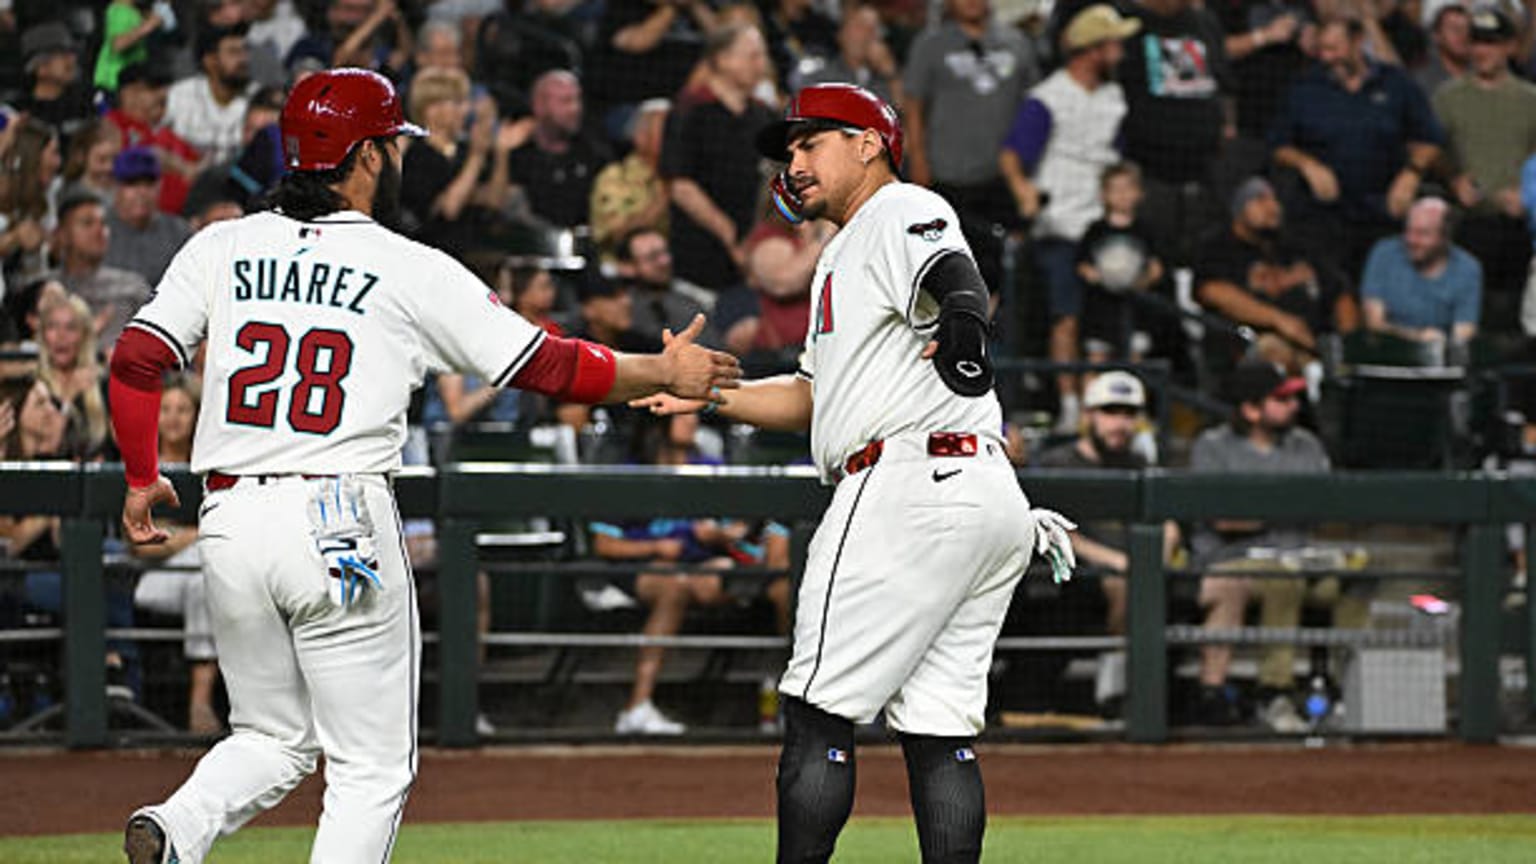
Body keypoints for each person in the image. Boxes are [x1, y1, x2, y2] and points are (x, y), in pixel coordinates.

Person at [110, 68, 739, 864]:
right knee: (370, 767)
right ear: (367, 156)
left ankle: (176, 829)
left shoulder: (222, 243)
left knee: (271, 735)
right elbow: (544, 364)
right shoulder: (406, 265)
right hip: (336, 514)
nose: (400, 161)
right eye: (394, 146)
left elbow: (134, 360)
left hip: (229, 518)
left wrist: (140, 474)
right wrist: (662, 372)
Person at [634, 83, 1075, 864]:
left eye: (812, 143)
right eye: (791, 150)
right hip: (980, 495)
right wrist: (713, 395)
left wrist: (969, 325)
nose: (795, 162)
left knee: (815, 710)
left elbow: (951, 270)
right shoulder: (848, 248)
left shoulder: (898, 209)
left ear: (869, 143)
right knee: (939, 730)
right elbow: (813, 397)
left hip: (904, 486)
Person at [1188, 360, 1365, 731]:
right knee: (1281, 578)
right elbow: (1222, 518)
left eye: (1292, 397)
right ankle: (1275, 691)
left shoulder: (1305, 444)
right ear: (1250, 409)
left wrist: (1260, 511)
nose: (1293, 405)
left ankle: (1346, 687)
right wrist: (1286, 511)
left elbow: (1324, 507)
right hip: (1233, 561)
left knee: (1356, 577)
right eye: (1281, 399)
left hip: (1300, 556)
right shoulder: (1213, 446)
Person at [998, 3, 1136, 432]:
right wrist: (1024, 191)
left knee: (1111, 319)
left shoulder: (1115, 97)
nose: (1121, 50)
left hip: (1103, 222)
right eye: (1113, 42)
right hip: (1060, 223)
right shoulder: (1049, 97)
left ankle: (1112, 403)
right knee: (1067, 316)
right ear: (1091, 49)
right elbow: (1011, 156)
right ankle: (1071, 405)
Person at [591, 411, 755, 735]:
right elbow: (604, 544)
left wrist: (719, 535)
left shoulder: (711, 468)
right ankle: (637, 707)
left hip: (701, 565)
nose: (693, 422)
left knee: (727, 575)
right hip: (643, 568)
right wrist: (655, 548)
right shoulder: (631, 473)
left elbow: (741, 528)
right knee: (672, 586)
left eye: (695, 416)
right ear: (658, 425)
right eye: (683, 416)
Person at [1034, 371, 1178, 714]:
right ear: (1088, 415)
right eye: (1110, 412)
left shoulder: (1138, 464)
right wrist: (1120, 562)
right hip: (1071, 575)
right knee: (1122, 582)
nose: (1120, 423)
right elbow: (1058, 532)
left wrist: (1162, 549)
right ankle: (1113, 690)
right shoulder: (1060, 463)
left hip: (1134, 570)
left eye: (1129, 415)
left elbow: (1168, 523)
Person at [1270, 17, 1443, 278]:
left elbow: (1430, 140)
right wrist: (1307, 164)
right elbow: (1278, 145)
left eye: (1335, 48)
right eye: (1323, 49)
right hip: (1324, 214)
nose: (1328, 57)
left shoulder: (1396, 83)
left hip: (1383, 210)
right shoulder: (1304, 87)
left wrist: (1412, 173)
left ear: (1358, 41)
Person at [130, 375, 223, 734]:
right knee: (205, 570)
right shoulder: (141, 463)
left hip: (202, 575)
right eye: (165, 409)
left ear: (197, 416)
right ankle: (200, 701)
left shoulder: (210, 465)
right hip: (147, 579)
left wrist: (180, 537)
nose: (173, 417)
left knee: (202, 579)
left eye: (183, 409)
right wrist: (200, 534)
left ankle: (202, 703)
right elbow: (142, 542)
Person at [1193, 177, 1355, 375]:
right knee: (1274, 352)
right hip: (1252, 344)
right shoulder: (1220, 247)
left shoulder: (1296, 246)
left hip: (1316, 345)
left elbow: (1340, 292)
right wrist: (1279, 320)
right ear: (1239, 210)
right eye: (1260, 200)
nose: (1273, 207)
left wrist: (1351, 342)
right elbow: (1212, 291)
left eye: (1275, 200)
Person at [660, 24, 777, 291]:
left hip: (752, 251)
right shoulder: (689, 112)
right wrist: (729, 234)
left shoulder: (764, 116)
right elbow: (679, 184)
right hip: (698, 251)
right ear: (723, 59)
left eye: (763, 56)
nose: (761, 65)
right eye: (753, 56)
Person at [1115, 0, 1232, 266]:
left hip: (1203, 176)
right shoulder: (1123, 23)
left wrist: (1225, 128)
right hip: (1147, 176)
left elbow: (1224, 83)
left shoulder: (1206, 23)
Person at [1433, 7, 1536, 309]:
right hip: (1468, 220)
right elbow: (1431, 151)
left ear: (1509, 47)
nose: (1482, 51)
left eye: (1491, 43)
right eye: (1477, 42)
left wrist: (1528, 194)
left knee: (1519, 309)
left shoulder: (1530, 99)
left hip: (1519, 220)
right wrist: (1453, 179)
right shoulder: (1447, 97)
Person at [1076, 162, 1166, 363]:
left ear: (1139, 193)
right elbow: (1082, 264)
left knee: (1136, 357)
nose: (1122, 195)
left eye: (1128, 188)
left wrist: (1141, 282)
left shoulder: (1146, 231)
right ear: (1103, 195)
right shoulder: (1095, 230)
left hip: (1136, 308)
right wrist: (1100, 277)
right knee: (1096, 357)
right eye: (1115, 190)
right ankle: (1090, 394)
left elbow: (1156, 268)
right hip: (1101, 309)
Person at [1360, 197, 1481, 346]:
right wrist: (1417, 337)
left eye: (1423, 234)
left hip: (1439, 357)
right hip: (1388, 350)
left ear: (1445, 237)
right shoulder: (1384, 254)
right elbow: (1374, 324)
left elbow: (1464, 332)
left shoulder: (1467, 268)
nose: (1412, 240)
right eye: (1409, 231)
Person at [48, 190, 153, 352]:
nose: (99, 231)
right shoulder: (46, 290)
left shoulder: (133, 286)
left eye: (103, 224)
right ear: (62, 235)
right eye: (87, 223)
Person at [506, 70, 612, 229]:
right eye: (566, 101)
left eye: (577, 99)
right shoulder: (517, 154)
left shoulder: (594, 153)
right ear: (539, 105)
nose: (575, 108)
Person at [165, 24, 255, 167]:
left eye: (244, 51)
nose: (243, 59)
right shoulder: (179, 95)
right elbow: (154, 143)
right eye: (233, 52)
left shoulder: (257, 98)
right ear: (210, 61)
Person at [36, 288, 109, 459]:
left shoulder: (103, 384)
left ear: (84, 336)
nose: (61, 336)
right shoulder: (32, 388)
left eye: (71, 328)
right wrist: (70, 397)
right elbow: (43, 450)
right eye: (52, 327)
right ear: (43, 335)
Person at [105, 148, 194, 286]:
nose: (142, 192)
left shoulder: (179, 231)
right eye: (132, 184)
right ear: (115, 187)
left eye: (149, 184)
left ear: (159, 186)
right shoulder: (99, 231)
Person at [590, 98, 670, 252]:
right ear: (641, 136)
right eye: (666, 129)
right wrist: (664, 200)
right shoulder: (616, 179)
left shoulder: (685, 177)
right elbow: (615, 236)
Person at [616, 227, 714, 346]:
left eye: (665, 252)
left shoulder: (688, 295)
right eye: (652, 257)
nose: (665, 261)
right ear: (627, 267)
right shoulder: (622, 308)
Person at [16, 22, 93, 145]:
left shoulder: (84, 106)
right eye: (63, 55)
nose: (72, 60)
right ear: (41, 68)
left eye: (72, 54)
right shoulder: (18, 113)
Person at [95, 0, 166, 93]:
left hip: (129, 79)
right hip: (113, 81)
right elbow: (118, 45)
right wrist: (147, 26)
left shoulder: (131, 11)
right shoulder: (120, 10)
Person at [1415, 3, 1470, 96]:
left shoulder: (1483, 73)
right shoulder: (1422, 81)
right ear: (1436, 36)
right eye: (1454, 28)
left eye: (1467, 29)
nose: (1462, 34)